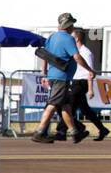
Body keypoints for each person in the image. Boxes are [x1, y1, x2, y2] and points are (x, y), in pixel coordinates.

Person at [31, 13, 88, 144]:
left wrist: (44, 74)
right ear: (69, 25)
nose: (73, 27)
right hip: (62, 77)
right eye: (72, 24)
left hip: (54, 76)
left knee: (65, 106)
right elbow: (77, 57)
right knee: (52, 104)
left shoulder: (52, 37)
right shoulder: (68, 39)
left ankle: (75, 133)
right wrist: (90, 69)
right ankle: (39, 132)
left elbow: (44, 56)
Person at [69, 28, 110, 141]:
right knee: (85, 110)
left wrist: (91, 89)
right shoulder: (76, 52)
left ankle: (70, 130)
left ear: (76, 38)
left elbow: (90, 72)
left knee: (69, 108)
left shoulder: (86, 53)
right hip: (76, 82)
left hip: (81, 83)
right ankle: (102, 129)